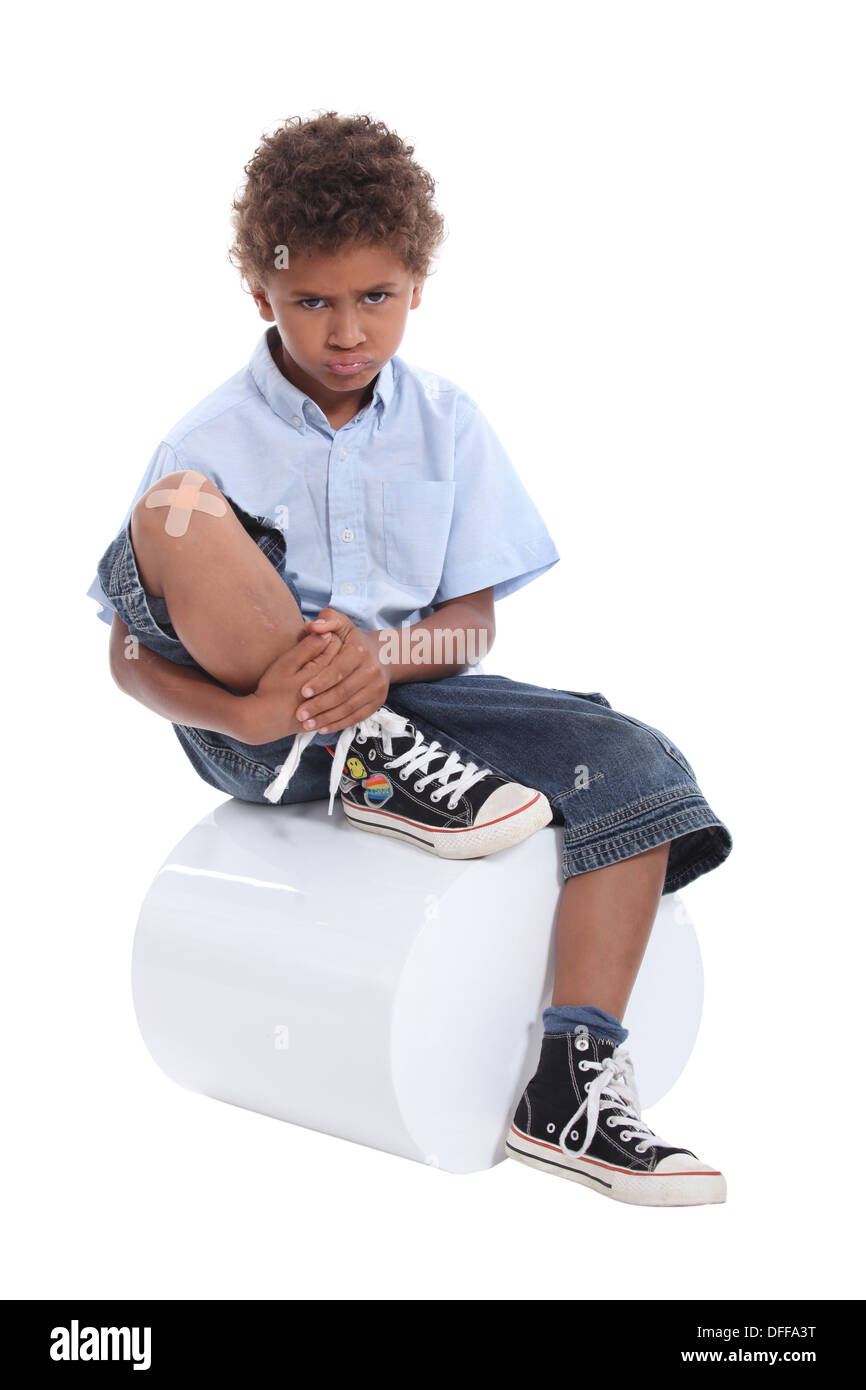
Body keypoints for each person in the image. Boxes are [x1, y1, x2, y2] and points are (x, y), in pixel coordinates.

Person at [89, 111, 733, 1207]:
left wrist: (384, 663)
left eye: (374, 298)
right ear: (263, 297)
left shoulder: (446, 423)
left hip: (416, 698)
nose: (346, 331)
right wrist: (245, 718)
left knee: (634, 758)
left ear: (416, 287)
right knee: (179, 513)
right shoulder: (208, 438)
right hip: (264, 717)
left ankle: (567, 1086)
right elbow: (124, 654)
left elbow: (470, 625)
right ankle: (359, 753)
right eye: (312, 302)